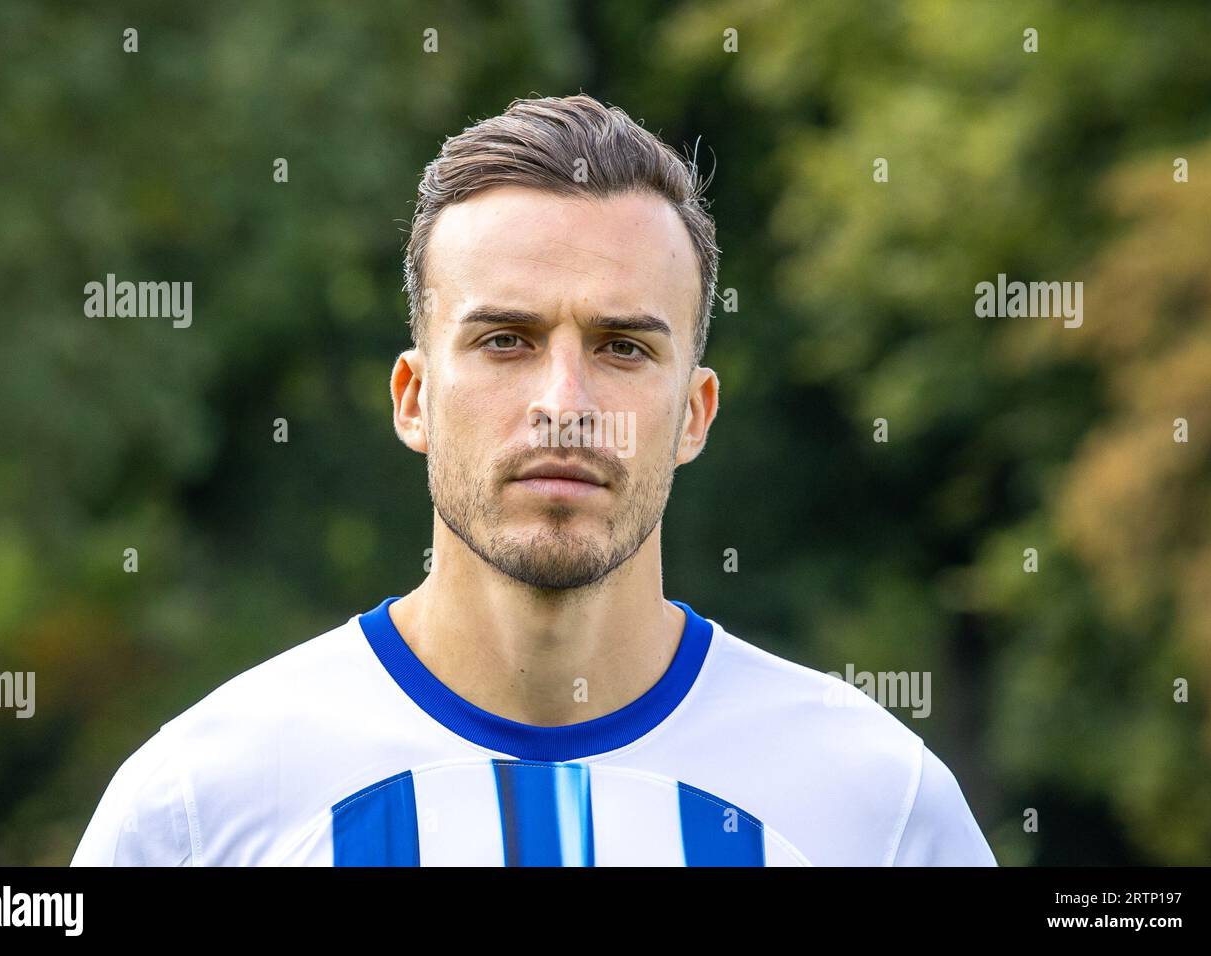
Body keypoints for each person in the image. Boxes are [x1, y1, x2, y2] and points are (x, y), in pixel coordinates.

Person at [72, 93, 996, 866]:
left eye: (623, 346)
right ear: (413, 399)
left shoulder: (881, 814)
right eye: (505, 340)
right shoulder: (197, 815)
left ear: (695, 415)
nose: (564, 402)